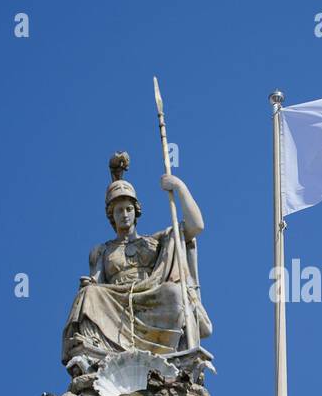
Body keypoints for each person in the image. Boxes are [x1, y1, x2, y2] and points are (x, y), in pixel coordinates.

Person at [61, 151, 211, 374]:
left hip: (150, 294)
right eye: (118, 210)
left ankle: (168, 348)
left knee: (174, 293)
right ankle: (94, 346)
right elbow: (97, 282)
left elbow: (196, 226)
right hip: (116, 299)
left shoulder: (156, 240)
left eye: (128, 209)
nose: (124, 215)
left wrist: (179, 186)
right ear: (111, 216)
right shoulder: (102, 250)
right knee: (89, 295)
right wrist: (88, 285)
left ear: (136, 211)